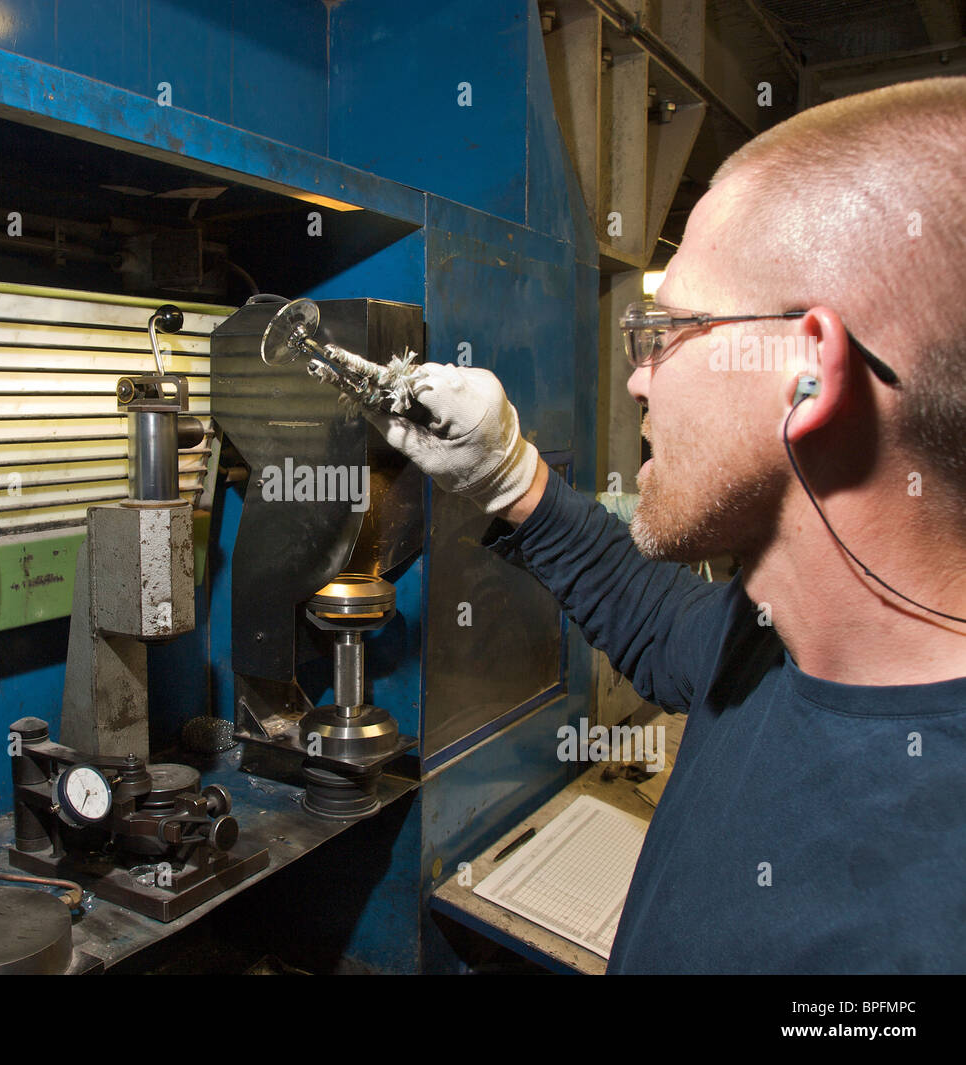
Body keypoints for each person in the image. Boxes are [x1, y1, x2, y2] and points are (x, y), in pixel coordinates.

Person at [369, 77, 966, 974]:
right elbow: (659, 620)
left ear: (807, 373)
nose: (638, 377)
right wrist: (509, 475)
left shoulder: (921, 927)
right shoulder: (782, 639)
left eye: (665, 330)